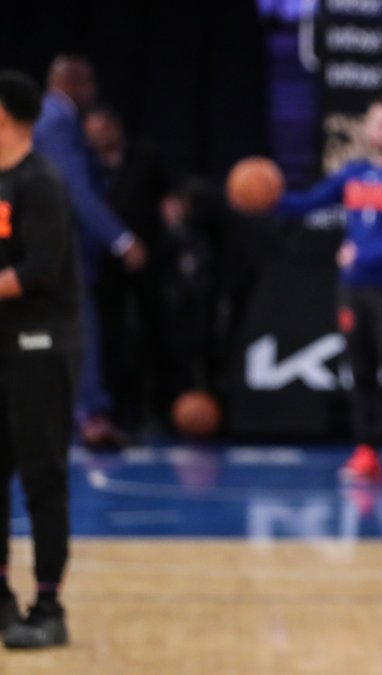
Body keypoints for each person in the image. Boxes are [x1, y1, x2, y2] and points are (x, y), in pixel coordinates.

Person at [276, 94, 382, 483]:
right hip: (354, 289)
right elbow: (310, 202)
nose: (378, 130)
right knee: (359, 370)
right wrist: (270, 200)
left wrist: (359, 256)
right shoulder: (354, 173)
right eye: (373, 123)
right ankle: (367, 451)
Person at [0, 69, 78, 649]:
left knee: (42, 478)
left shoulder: (41, 182)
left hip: (39, 346)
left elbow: (39, 270)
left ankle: (49, 604)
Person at [33, 55, 147, 447]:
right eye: (90, 84)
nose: (94, 93)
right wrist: (121, 238)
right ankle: (90, 418)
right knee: (79, 325)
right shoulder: (57, 119)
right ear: (73, 83)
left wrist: (99, 157)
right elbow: (74, 190)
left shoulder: (45, 118)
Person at [85, 103, 172, 432]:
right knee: (110, 337)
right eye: (91, 134)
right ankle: (115, 411)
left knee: (154, 332)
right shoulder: (86, 163)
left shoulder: (144, 155)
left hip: (147, 259)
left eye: (102, 131)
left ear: (115, 126)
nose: (97, 139)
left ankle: (160, 409)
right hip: (103, 264)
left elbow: (166, 198)